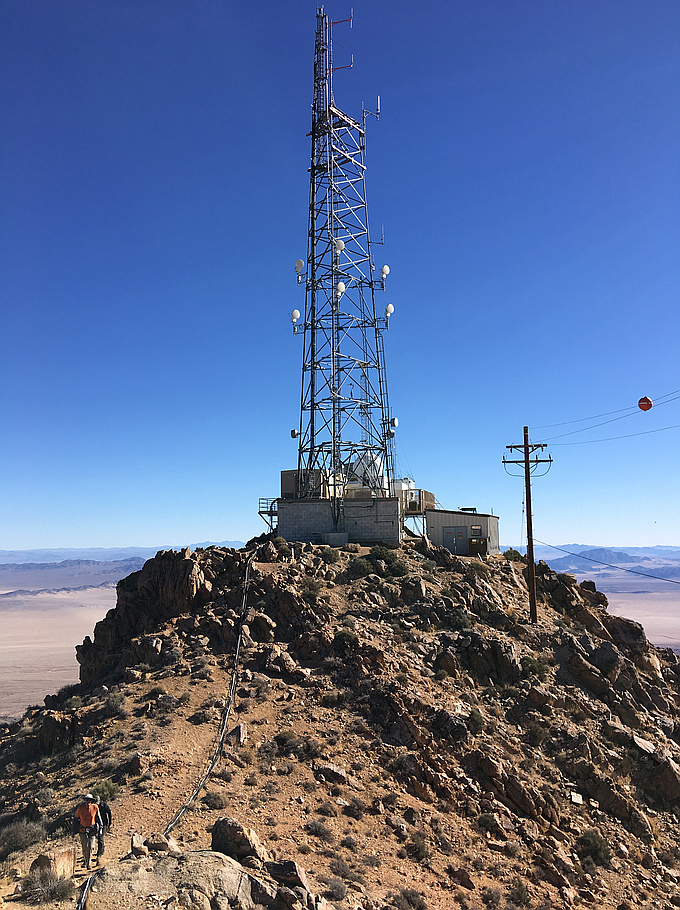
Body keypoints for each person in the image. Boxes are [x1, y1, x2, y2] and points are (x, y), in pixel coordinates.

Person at [72, 793, 101, 870]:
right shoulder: (80, 809)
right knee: (85, 847)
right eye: (86, 800)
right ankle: (86, 861)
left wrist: (100, 829)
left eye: (89, 800)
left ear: (91, 801)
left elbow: (98, 819)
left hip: (92, 830)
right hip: (83, 830)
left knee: (91, 847)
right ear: (84, 801)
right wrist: (73, 830)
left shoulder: (95, 807)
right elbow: (75, 819)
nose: (88, 802)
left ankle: (88, 863)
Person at [94, 795, 113, 860]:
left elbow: (109, 813)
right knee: (98, 836)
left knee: (100, 837)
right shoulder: (94, 806)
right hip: (97, 823)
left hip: (104, 823)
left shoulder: (104, 805)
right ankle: (102, 848)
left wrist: (110, 823)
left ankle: (99, 853)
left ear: (99, 801)